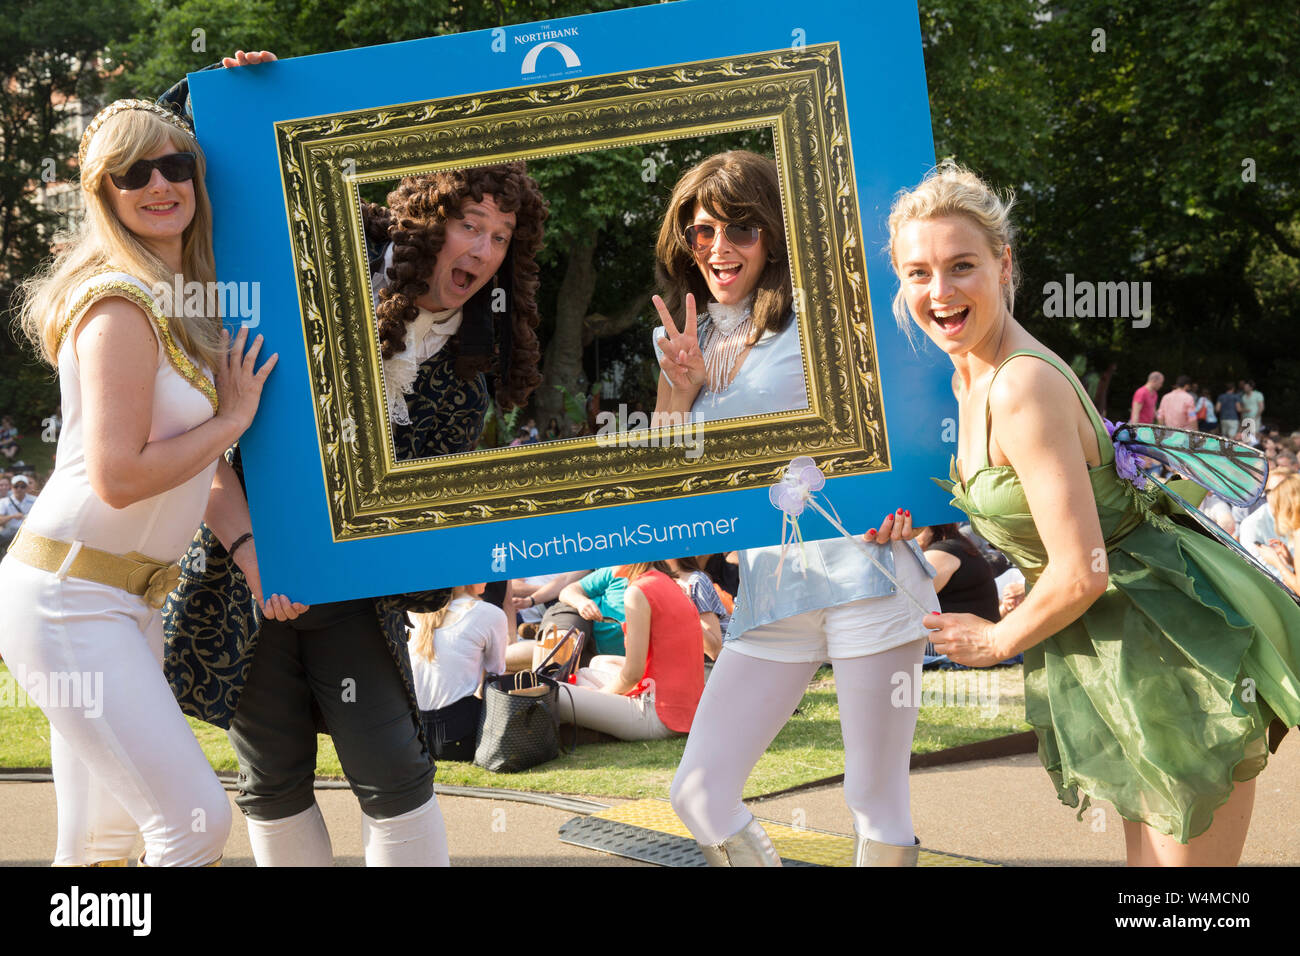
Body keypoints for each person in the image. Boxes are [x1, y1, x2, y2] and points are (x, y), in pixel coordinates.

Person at [162, 52, 551, 867]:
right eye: (468, 223)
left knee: (397, 777)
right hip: (242, 578)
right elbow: (181, 154)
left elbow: (420, 530)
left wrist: (458, 545)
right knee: (271, 781)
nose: (480, 248)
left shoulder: (464, 381)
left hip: (354, 598)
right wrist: (247, 89)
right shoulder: (315, 268)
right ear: (429, 223)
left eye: (499, 236)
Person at [891, 161, 1300, 866]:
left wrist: (995, 641)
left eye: (962, 266)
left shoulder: (1020, 384)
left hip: (1167, 640)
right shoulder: (967, 377)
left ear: (1003, 263)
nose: (941, 290)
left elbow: (1082, 569)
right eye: (919, 273)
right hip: (1113, 645)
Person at [1, 98, 280, 866]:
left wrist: (258, 88)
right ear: (104, 193)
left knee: (102, 845)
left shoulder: (175, 296)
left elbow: (197, 465)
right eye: (133, 172)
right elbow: (121, 478)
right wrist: (232, 417)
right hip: (68, 597)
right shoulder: (120, 303)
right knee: (193, 825)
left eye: (176, 165)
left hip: (124, 599)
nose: (160, 184)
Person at [655, 150, 939, 867]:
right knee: (696, 791)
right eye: (702, 233)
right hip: (772, 587)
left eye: (741, 229)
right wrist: (676, 391)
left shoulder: (823, 310)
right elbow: (670, 474)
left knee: (876, 797)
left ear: (774, 235)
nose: (719, 249)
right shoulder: (686, 338)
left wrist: (906, 499)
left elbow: (902, 408)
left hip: (867, 573)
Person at [553, 562, 705, 740]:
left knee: (553, 693)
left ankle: (591, 727)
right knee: (584, 674)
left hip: (659, 715)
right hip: (684, 710)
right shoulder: (670, 583)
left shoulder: (638, 592)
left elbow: (632, 675)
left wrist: (599, 695)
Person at [407, 583, 508, 760]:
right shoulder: (490, 614)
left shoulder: (412, 612)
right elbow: (495, 671)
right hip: (457, 738)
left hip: (412, 736)